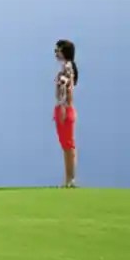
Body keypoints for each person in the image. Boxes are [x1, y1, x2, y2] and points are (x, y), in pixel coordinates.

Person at [53, 40, 79, 188]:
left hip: (65, 108)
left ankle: (71, 179)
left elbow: (65, 88)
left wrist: (62, 108)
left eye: (58, 50)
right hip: (63, 108)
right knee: (66, 145)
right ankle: (68, 179)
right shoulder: (65, 68)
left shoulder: (67, 67)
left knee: (68, 146)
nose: (56, 53)